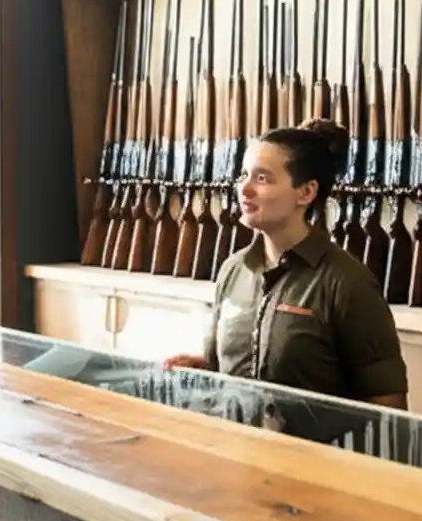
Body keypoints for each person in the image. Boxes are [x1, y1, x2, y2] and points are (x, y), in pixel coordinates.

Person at [163, 119, 408, 412]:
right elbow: (223, 366)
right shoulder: (233, 270)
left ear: (306, 192)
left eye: (262, 178)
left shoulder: (347, 281)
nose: (245, 189)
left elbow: (387, 405)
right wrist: (202, 369)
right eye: (244, 175)